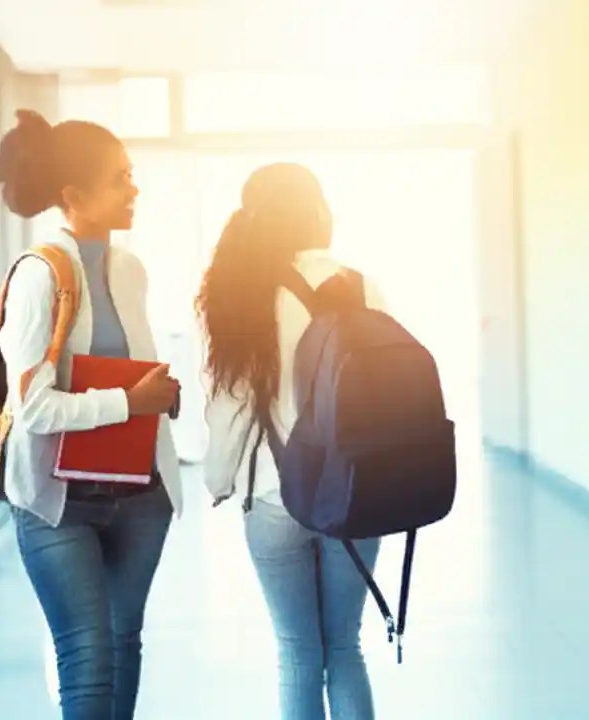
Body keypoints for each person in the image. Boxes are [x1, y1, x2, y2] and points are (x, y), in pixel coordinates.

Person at [0, 109, 183, 720]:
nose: (134, 189)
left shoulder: (129, 271)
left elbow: (132, 372)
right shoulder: (37, 277)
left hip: (140, 495)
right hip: (57, 504)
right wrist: (132, 402)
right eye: (120, 178)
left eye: (132, 174)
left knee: (124, 644)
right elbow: (35, 408)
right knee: (89, 655)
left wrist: (160, 396)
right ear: (74, 196)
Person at [196, 163, 385, 720]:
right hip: (356, 493)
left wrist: (219, 479)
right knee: (346, 647)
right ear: (317, 210)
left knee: (299, 653)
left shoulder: (244, 296)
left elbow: (228, 405)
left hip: (278, 495)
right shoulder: (359, 283)